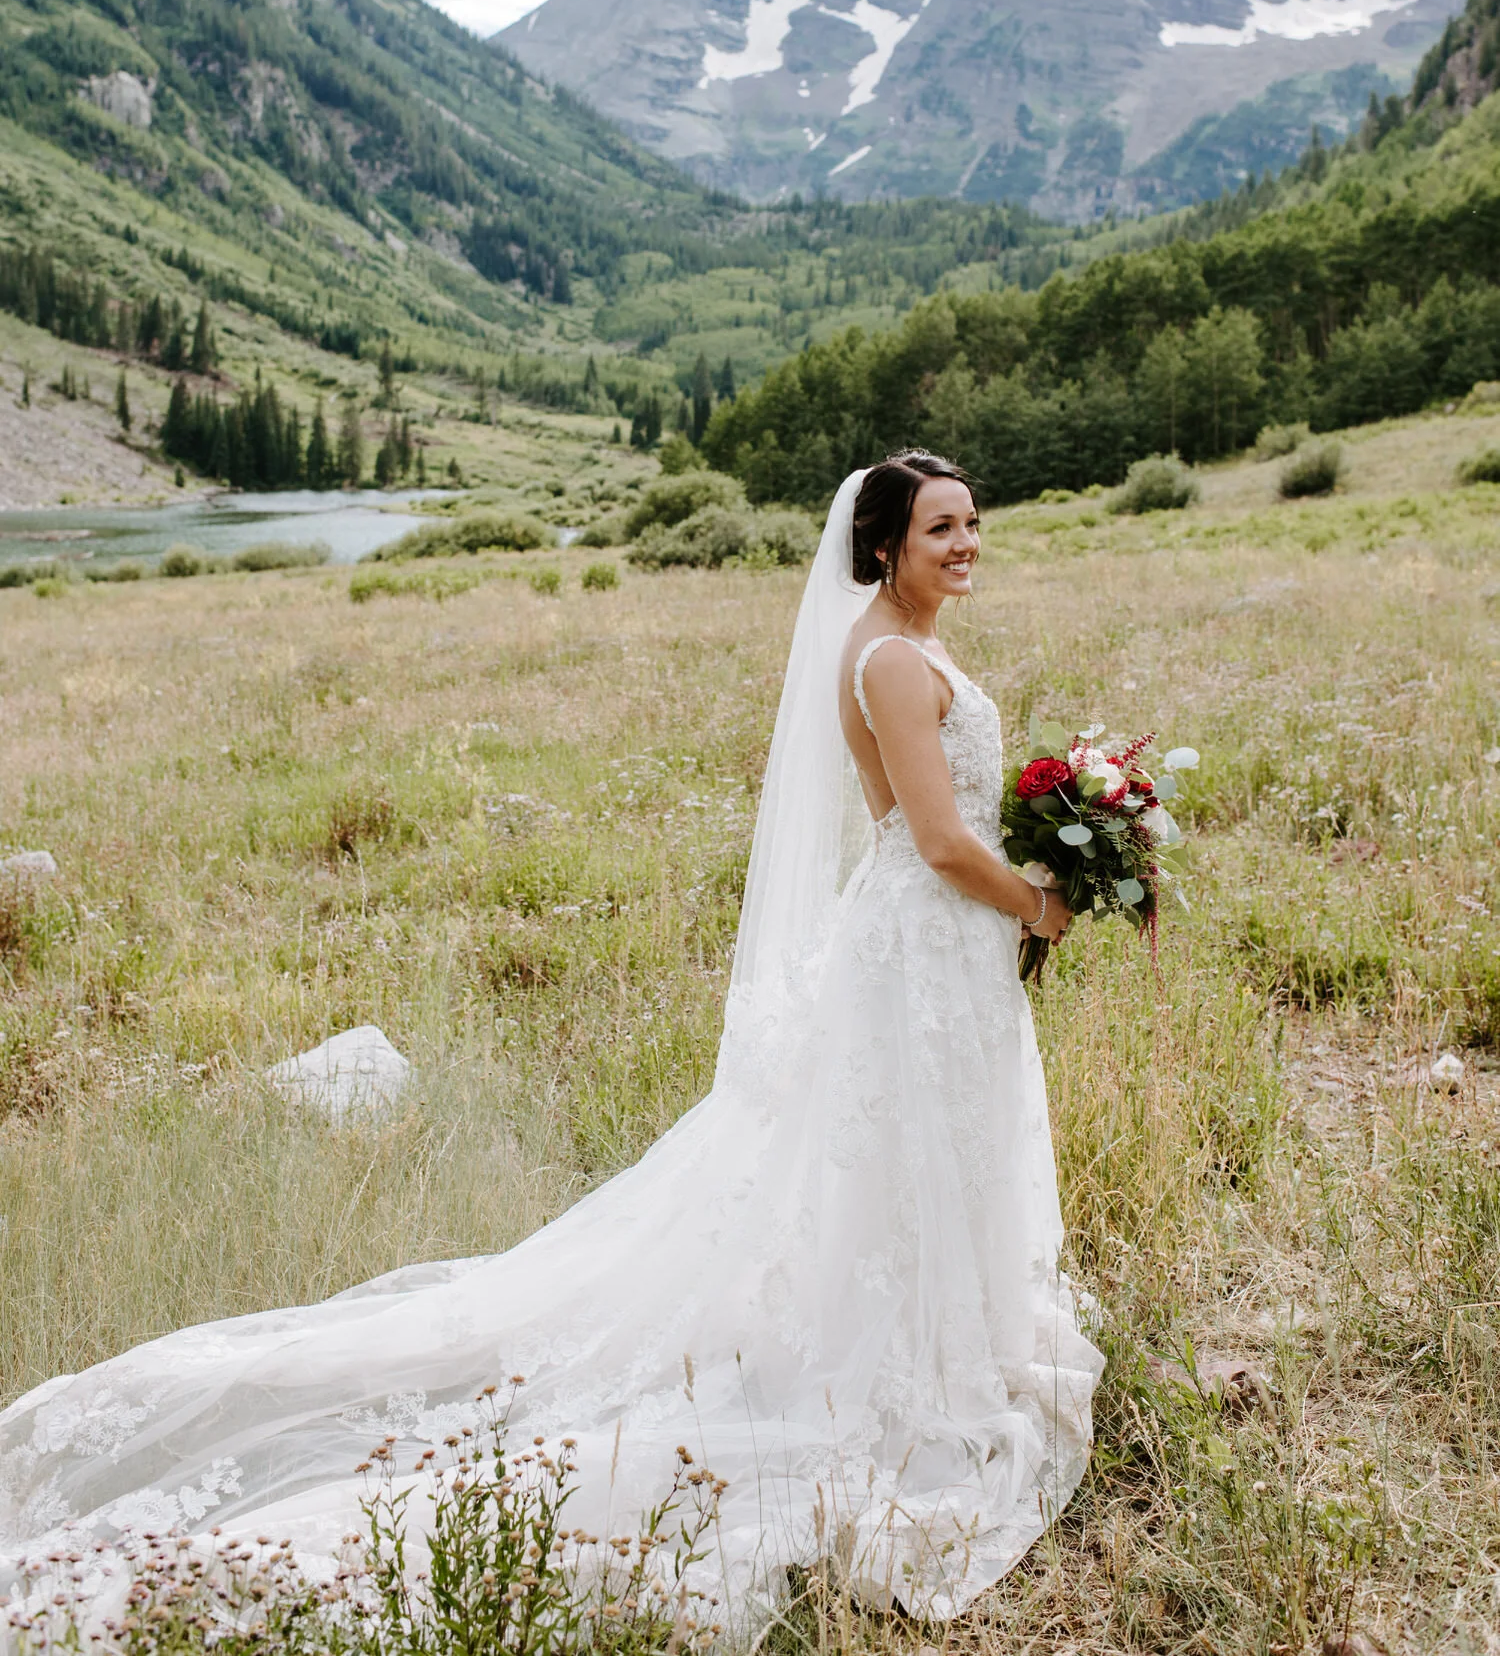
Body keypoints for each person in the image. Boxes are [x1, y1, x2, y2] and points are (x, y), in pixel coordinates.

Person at [0, 453, 1099, 1628]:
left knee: (924, 1155)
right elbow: (929, 838)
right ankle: (893, 1369)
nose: (966, 542)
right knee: (898, 1153)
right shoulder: (885, 654)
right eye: (943, 527)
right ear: (884, 545)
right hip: (922, 942)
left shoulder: (910, 643)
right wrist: (1042, 903)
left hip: (936, 951)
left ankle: (943, 1341)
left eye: (973, 523)